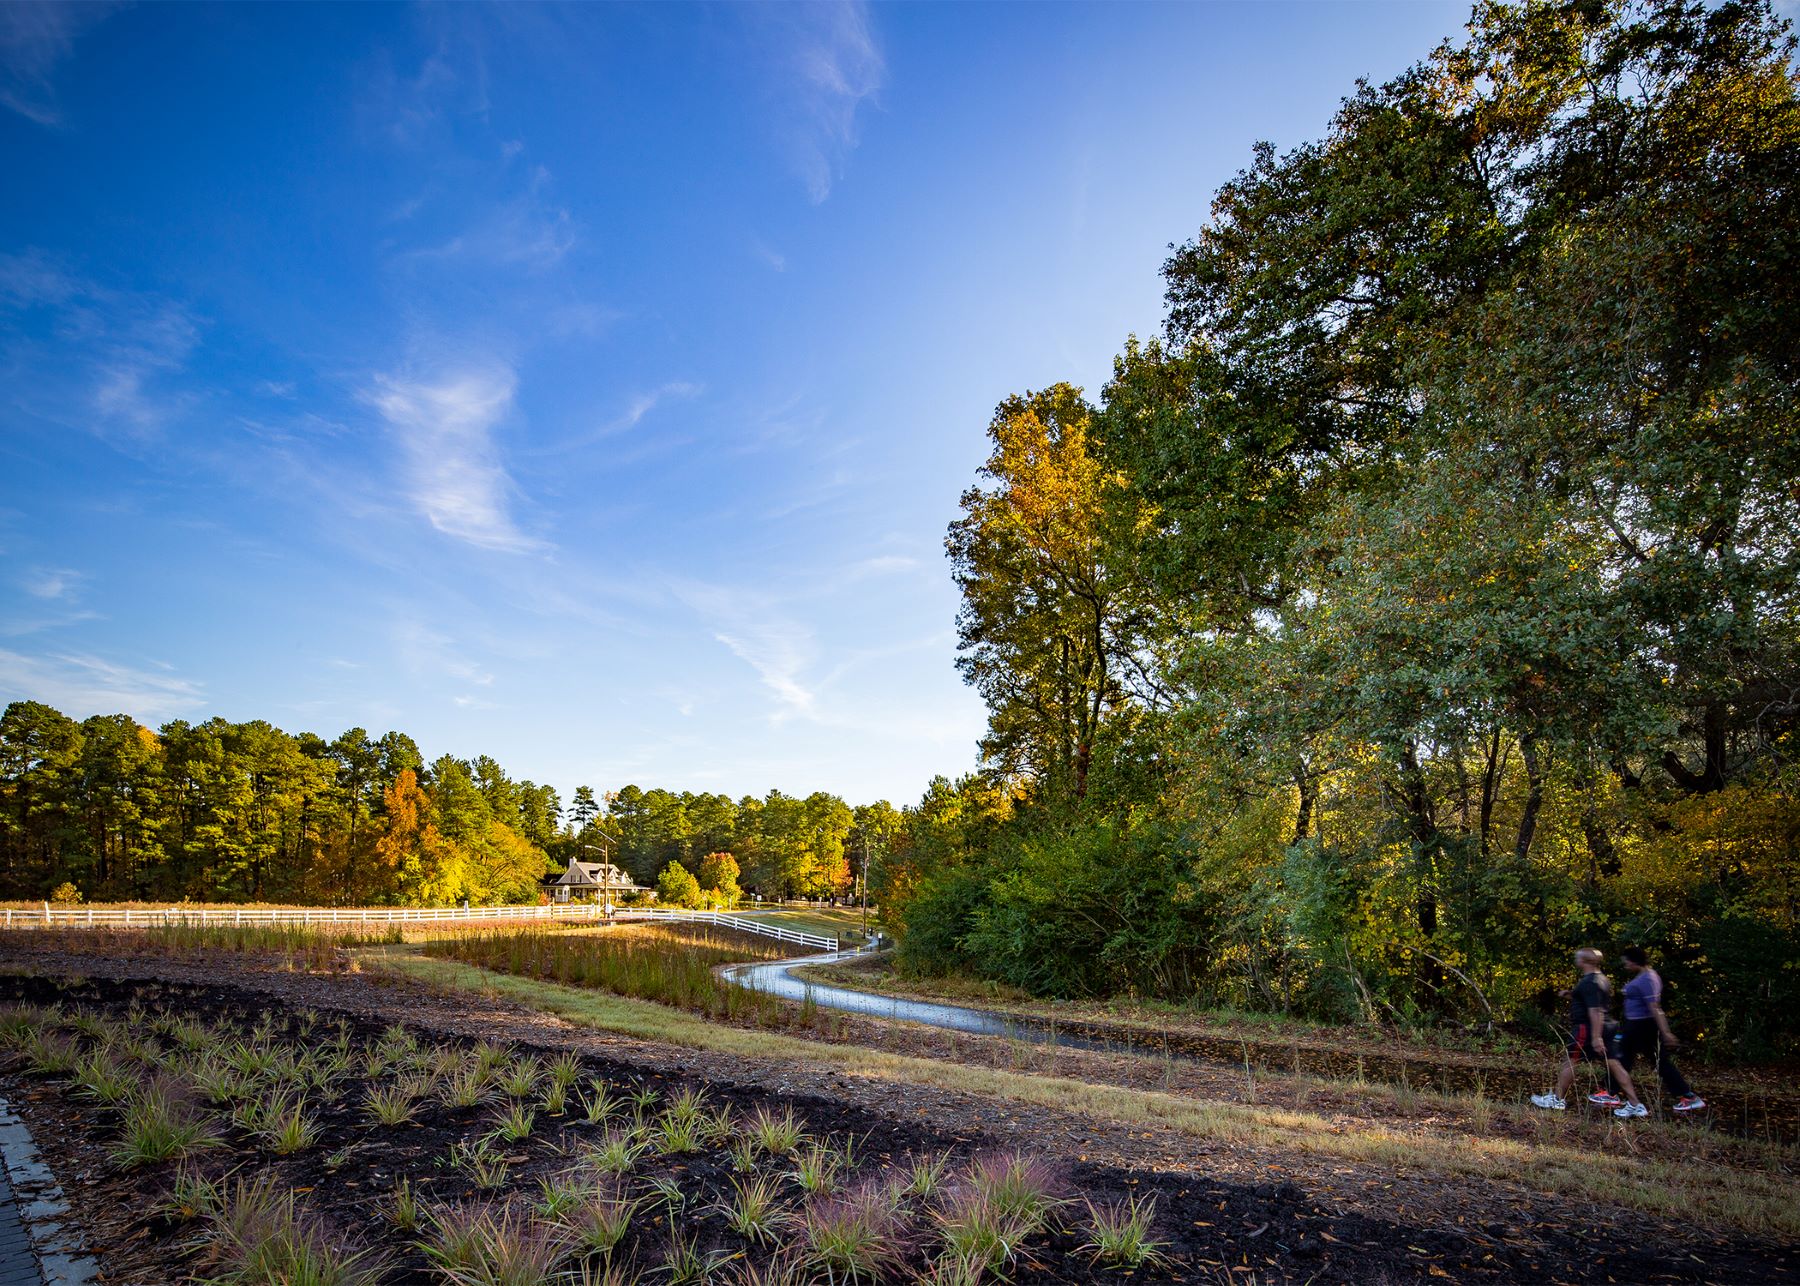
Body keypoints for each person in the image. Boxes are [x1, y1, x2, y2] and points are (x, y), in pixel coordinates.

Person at [1531, 947, 1648, 1118]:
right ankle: (1636, 1104)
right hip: (1606, 1027)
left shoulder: (1590, 983)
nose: (1575, 959)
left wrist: (1595, 1037)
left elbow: (1596, 1010)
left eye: (1577, 957)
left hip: (1587, 1028)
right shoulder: (1600, 979)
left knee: (1570, 1061)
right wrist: (1571, 994)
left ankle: (1557, 1099)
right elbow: (1592, 1000)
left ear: (1584, 961)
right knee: (1614, 1063)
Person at [1616, 946, 1706, 1113]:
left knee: (1629, 1059)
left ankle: (1688, 1096)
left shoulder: (1648, 979)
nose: (1625, 965)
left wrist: (1666, 1032)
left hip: (1642, 1026)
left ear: (1635, 961)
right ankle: (1611, 1091)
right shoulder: (1644, 976)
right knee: (1629, 1059)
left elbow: (1655, 1007)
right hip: (1636, 1025)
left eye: (1627, 962)